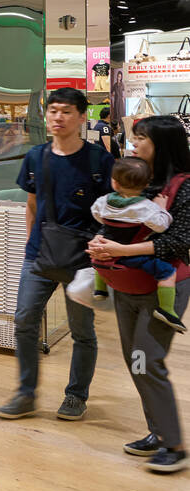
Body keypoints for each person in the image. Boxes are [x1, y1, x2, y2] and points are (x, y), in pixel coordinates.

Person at [0, 87, 113, 421]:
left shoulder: (99, 160)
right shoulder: (36, 156)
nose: (57, 117)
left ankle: (76, 395)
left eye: (65, 111)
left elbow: (112, 211)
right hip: (39, 255)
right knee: (24, 321)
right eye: (53, 111)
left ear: (80, 117)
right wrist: (30, 242)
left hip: (82, 259)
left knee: (82, 331)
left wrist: (102, 247)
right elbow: (32, 203)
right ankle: (25, 394)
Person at [88, 115, 190, 472]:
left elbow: (178, 241)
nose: (133, 145)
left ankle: (174, 446)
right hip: (125, 281)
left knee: (149, 361)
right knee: (137, 362)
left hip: (163, 283)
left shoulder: (184, 186)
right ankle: (158, 432)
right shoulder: (139, 184)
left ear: (161, 144)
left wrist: (119, 251)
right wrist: (101, 243)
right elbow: (112, 224)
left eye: (141, 139)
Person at [85, 156, 182, 332]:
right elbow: (161, 226)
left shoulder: (103, 201)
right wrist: (162, 208)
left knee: (98, 251)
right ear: (147, 184)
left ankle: (100, 289)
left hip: (105, 255)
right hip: (131, 258)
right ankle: (166, 309)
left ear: (114, 183)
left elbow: (96, 215)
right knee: (168, 273)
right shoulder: (146, 207)